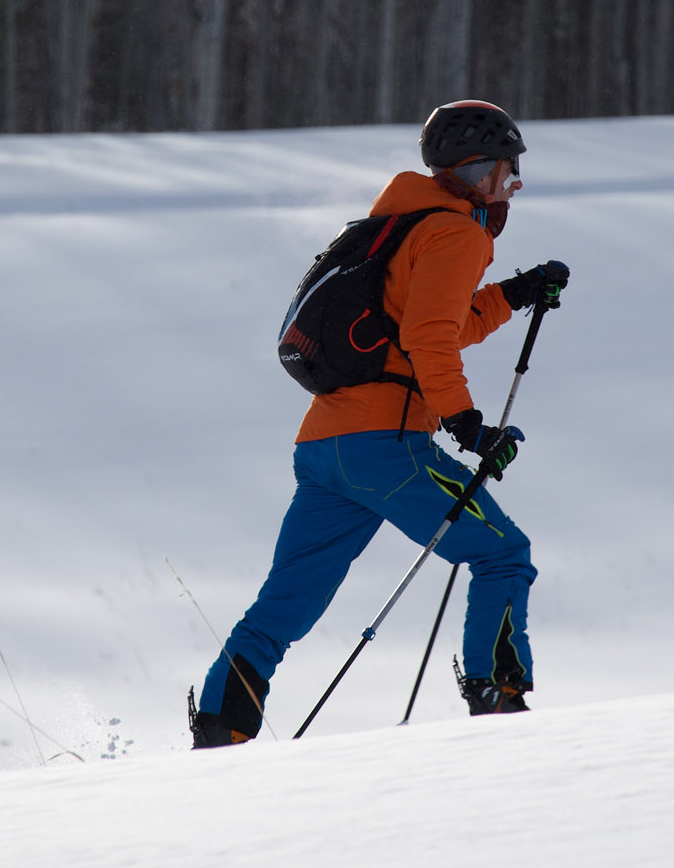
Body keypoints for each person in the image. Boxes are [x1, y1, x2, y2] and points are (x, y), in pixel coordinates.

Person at [188, 101, 570, 748]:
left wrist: (515, 291)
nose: (515, 184)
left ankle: (221, 725)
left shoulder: (399, 223)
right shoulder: (455, 233)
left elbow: (436, 324)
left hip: (325, 445)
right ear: (477, 170)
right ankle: (498, 698)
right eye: (508, 170)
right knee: (503, 553)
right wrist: (469, 426)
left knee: (282, 605)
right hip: (387, 448)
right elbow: (429, 336)